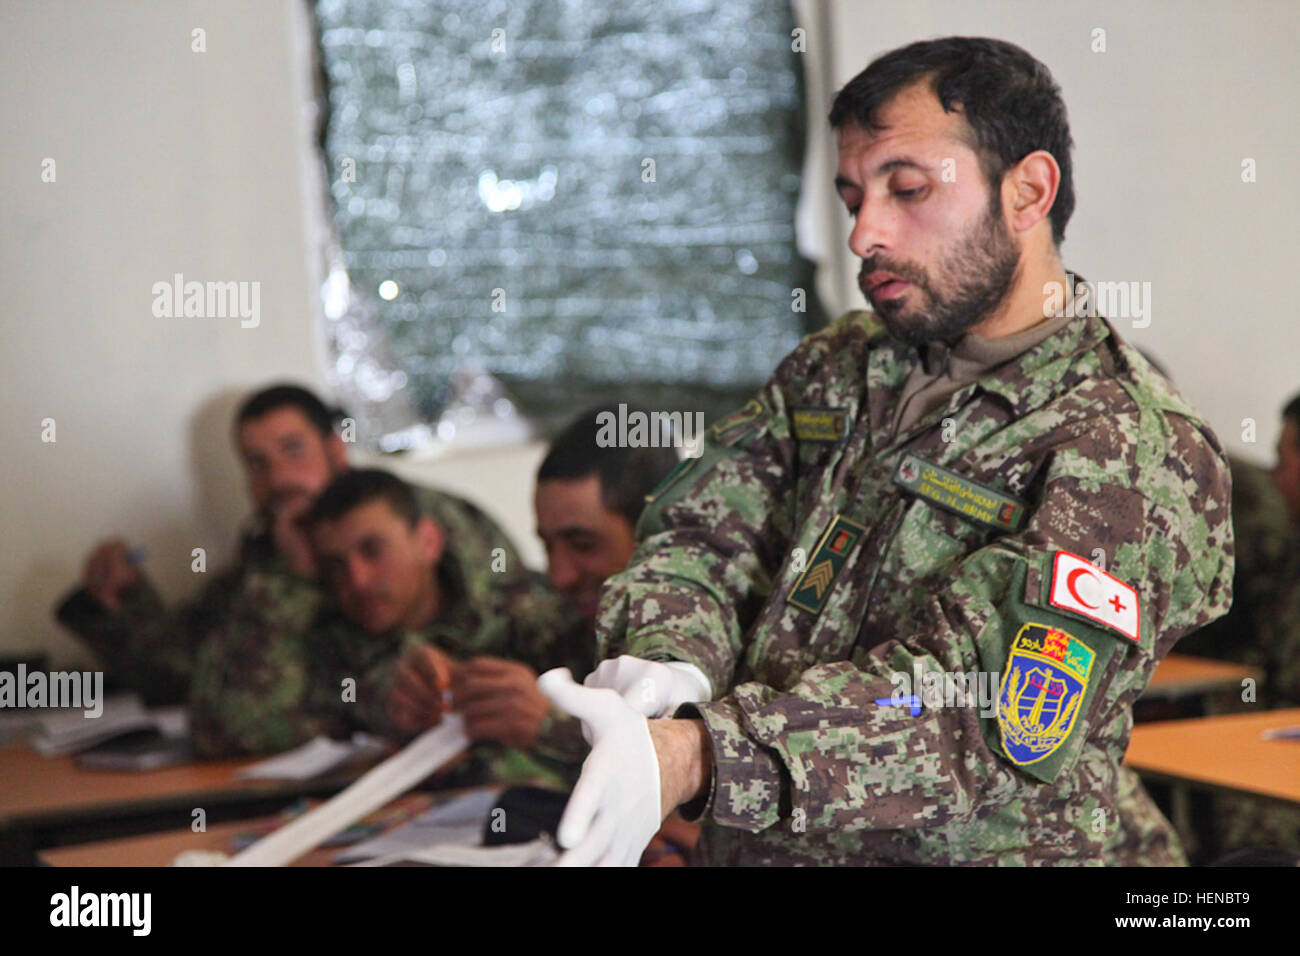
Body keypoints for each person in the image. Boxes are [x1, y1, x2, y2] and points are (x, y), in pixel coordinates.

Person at [538, 37, 1233, 866]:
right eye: (852, 198)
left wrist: (700, 755)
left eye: (907, 190)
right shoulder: (838, 368)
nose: (865, 233)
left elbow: (971, 717)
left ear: (1027, 191)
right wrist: (670, 666)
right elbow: (704, 536)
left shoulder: (1129, 445)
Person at [189, 469, 589, 787]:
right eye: (336, 564)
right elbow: (224, 729)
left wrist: (543, 725)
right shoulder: (330, 636)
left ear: (428, 541)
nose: (358, 580)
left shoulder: (519, 612)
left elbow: (618, 726)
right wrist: (289, 575)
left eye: (373, 550)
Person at [54, 384, 348, 704]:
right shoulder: (256, 565)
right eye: (257, 463)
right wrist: (125, 597)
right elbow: (179, 673)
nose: (277, 478)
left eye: (293, 450)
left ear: (336, 452)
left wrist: (298, 577)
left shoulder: (381, 544)